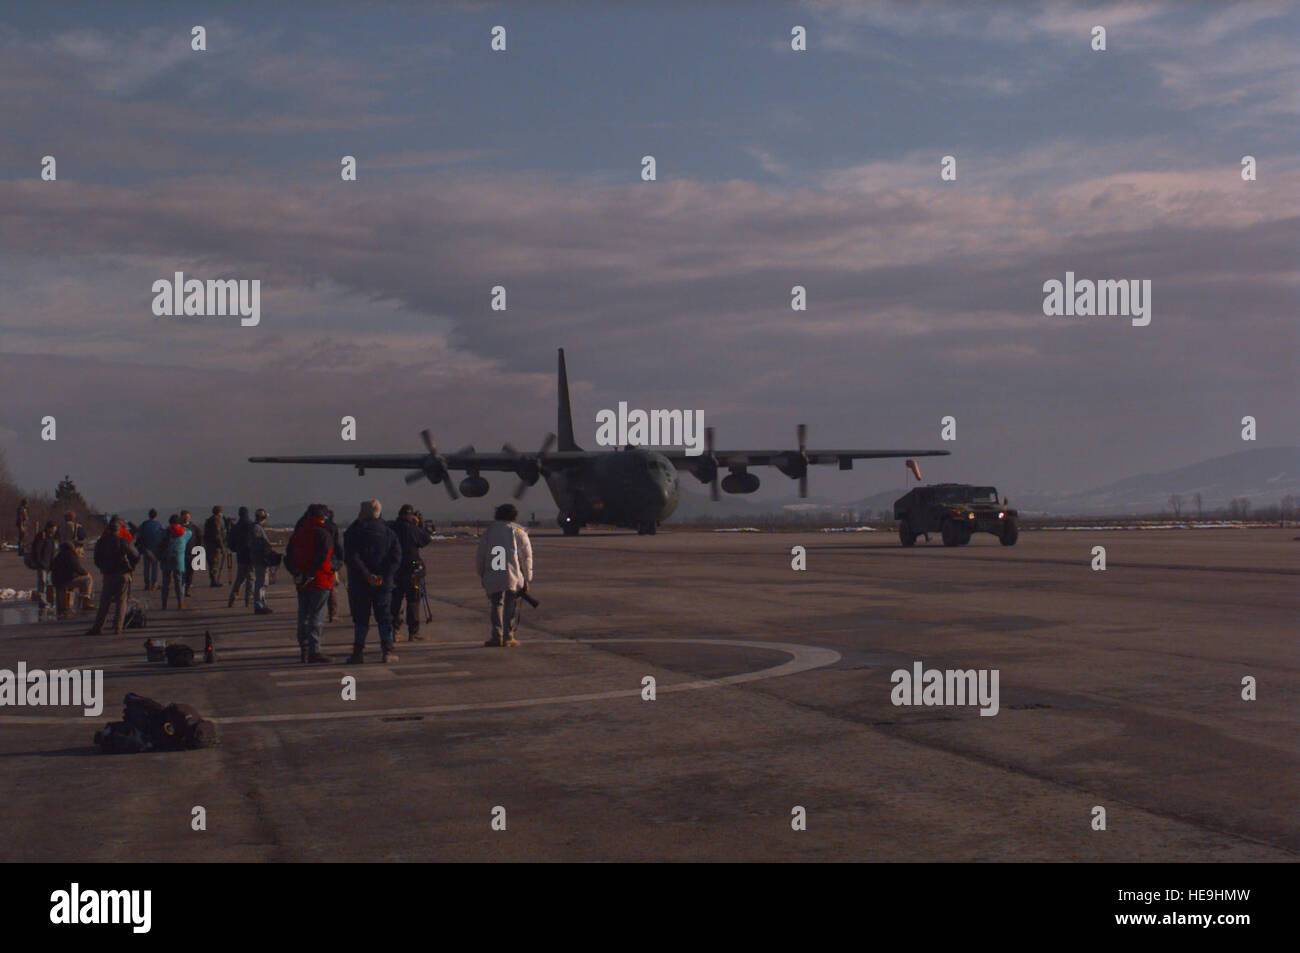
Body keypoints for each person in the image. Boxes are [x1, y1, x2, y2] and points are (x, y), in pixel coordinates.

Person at [343, 499, 401, 664]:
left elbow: (351, 556)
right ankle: (387, 650)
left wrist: (367, 575)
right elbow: (396, 557)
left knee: (361, 619)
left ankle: (358, 652)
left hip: (360, 583)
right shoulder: (389, 533)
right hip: (383, 583)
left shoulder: (354, 532)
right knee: (384, 617)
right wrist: (384, 575)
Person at [474, 503, 533, 647]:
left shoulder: (489, 531)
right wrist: (527, 577)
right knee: (510, 605)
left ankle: (496, 635)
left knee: (496, 604)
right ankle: (508, 637)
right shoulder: (518, 530)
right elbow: (526, 556)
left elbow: (480, 555)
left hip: (493, 572)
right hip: (512, 574)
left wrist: (481, 573)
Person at [285, 503, 336, 663]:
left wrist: (297, 573)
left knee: (303, 615)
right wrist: (312, 573)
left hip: (302, 581)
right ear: (322, 517)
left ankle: (304, 648)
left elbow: (288, 557)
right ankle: (314, 650)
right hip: (320, 580)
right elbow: (324, 557)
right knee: (316, 616)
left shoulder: (298, 533)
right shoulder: (322, 533)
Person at [87, 515, 139, 635]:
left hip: (108, 574)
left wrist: (102, 567)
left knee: (104, 602)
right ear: (118, 530)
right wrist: (131, 566)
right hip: (123, 574)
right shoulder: (123, 542)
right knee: (121, 601)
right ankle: (118, 627)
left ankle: (98, 627)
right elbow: (136, 555)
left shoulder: (101, 542)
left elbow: (96, 559)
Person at [390, 504, 433, 642]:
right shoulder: (412, 529)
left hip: (395, 570)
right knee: (413, 601)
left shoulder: (392, 528)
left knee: (395, 601)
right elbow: (426, 540)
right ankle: (412, 633)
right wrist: (419, 525)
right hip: (411, 571)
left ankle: (394, 631)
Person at [51, 540, 94, 619]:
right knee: (88, 579)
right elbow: (76, 567)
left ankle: (64, 608)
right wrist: (85, 573)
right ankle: (85, 598)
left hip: (57, 581)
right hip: (66, 581)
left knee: (76, 583)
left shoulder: (58, 556)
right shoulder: (71, 555)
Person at [248, 508, 276, 615]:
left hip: (259, 558)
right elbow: (259, 544)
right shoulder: (257, 528)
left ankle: (262, 604)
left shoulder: (256, 528)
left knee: (263, 583)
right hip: (260, 559)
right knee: (261, 583)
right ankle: (259, 605)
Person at [160, 514, 191, 610]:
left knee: (165, 583)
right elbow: (190, 534)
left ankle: (164, 603)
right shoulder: (185, 533)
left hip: (166, 559)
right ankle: (180, 602)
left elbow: (159, 539)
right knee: (179, 582)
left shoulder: (165, 532)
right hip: (179, 559)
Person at [226, 506, 254, 608]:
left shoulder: (236, 527)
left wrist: (235, 549)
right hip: (250, 555)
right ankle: (248, 600)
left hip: (241, 555)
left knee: (239, 579)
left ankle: (232, 599)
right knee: (250, 578)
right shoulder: (251, 525)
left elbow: (230, 542)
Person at [30, 520, 59, 613]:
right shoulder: (42, 536)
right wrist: (39, 562)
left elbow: (52, 552)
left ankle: (47, 600)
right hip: (42, 563)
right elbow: (37, 550)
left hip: (48, 564)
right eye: (53, 528)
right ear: (49, 528)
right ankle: (42, 600)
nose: (54, 530)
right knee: (42, 582)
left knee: (46, 582)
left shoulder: (51, 537)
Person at [135, 509, 165, 591]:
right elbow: (163, 536)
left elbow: (139, 534)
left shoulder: (144, 524)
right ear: (156, 515)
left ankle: (147, 584)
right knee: (155, 567)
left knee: (146, 567)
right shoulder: (159, 525)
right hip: (156, 549)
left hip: (146, 548)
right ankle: (154, 583)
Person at [323, 507, 344, 623]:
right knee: (331, 589)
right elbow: (338, 545)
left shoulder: (318, 527)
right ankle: (332, 613)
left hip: (320, 562)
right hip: (331, 561)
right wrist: (340, 561)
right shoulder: (333, 527)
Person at [203, 505, 228, 587]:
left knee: (211, 563)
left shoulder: (209, 520)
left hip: (209, 545)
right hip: (214, 546)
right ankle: (214, 580)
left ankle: (213, 579)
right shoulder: (215, 521)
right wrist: (221, 546)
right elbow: (217, 534)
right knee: (214, 563)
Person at [179, 509, 202, 597]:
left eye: (188, 517)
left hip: (191, 553)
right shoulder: (178, 527)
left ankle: (187, 588)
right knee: (182, 573)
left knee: (190, 573)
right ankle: (182, 588)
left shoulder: (194, 527)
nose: (186, 518)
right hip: (181, 554)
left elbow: (199, 539)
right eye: (185, 517)